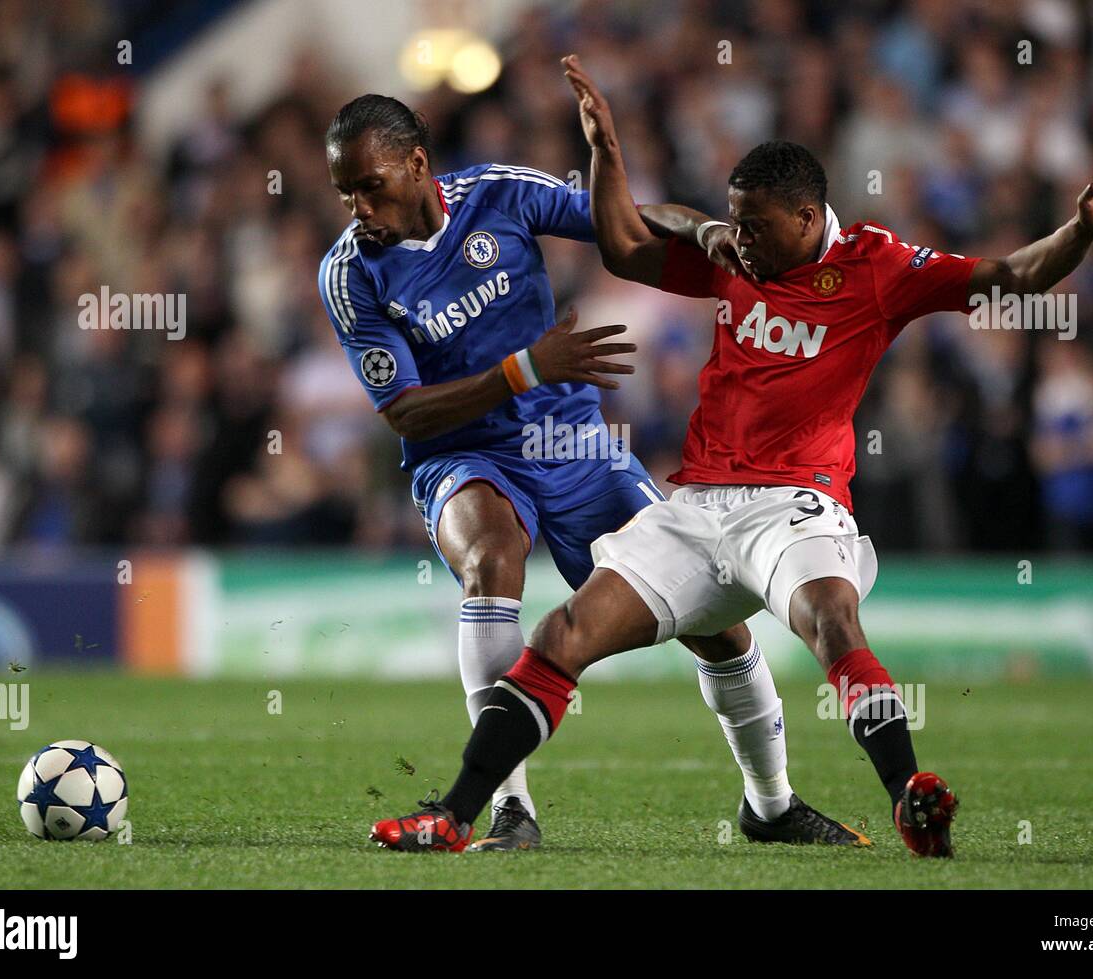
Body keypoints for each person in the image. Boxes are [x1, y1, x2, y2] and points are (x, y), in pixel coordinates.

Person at [370, 55, 1093, 857]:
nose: (740, 239)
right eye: (732, 220)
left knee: (829, 618)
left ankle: (909, 797)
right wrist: (610, 155)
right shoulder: (735, 256)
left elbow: (1015, 275)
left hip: (795, 503)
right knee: (561, 633)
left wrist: (1082, 230)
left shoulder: (880, 269)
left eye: (755, 225)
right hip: (697, 507)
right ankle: (459, 815)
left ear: (809, 215)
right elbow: (626, 245)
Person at [320, 94, 862, 852]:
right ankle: (510, 808)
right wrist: (522, 369)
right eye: (345, 190)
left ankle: (770, 804)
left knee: (718, 628)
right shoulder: (350, 274)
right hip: (461, 452)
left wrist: (703, 226)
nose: (358, 207)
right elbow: (406, 412)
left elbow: (628, 224)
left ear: (417, 164)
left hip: (570, 443)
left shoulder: (500, 195)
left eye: (370, 185)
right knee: (490, 558)